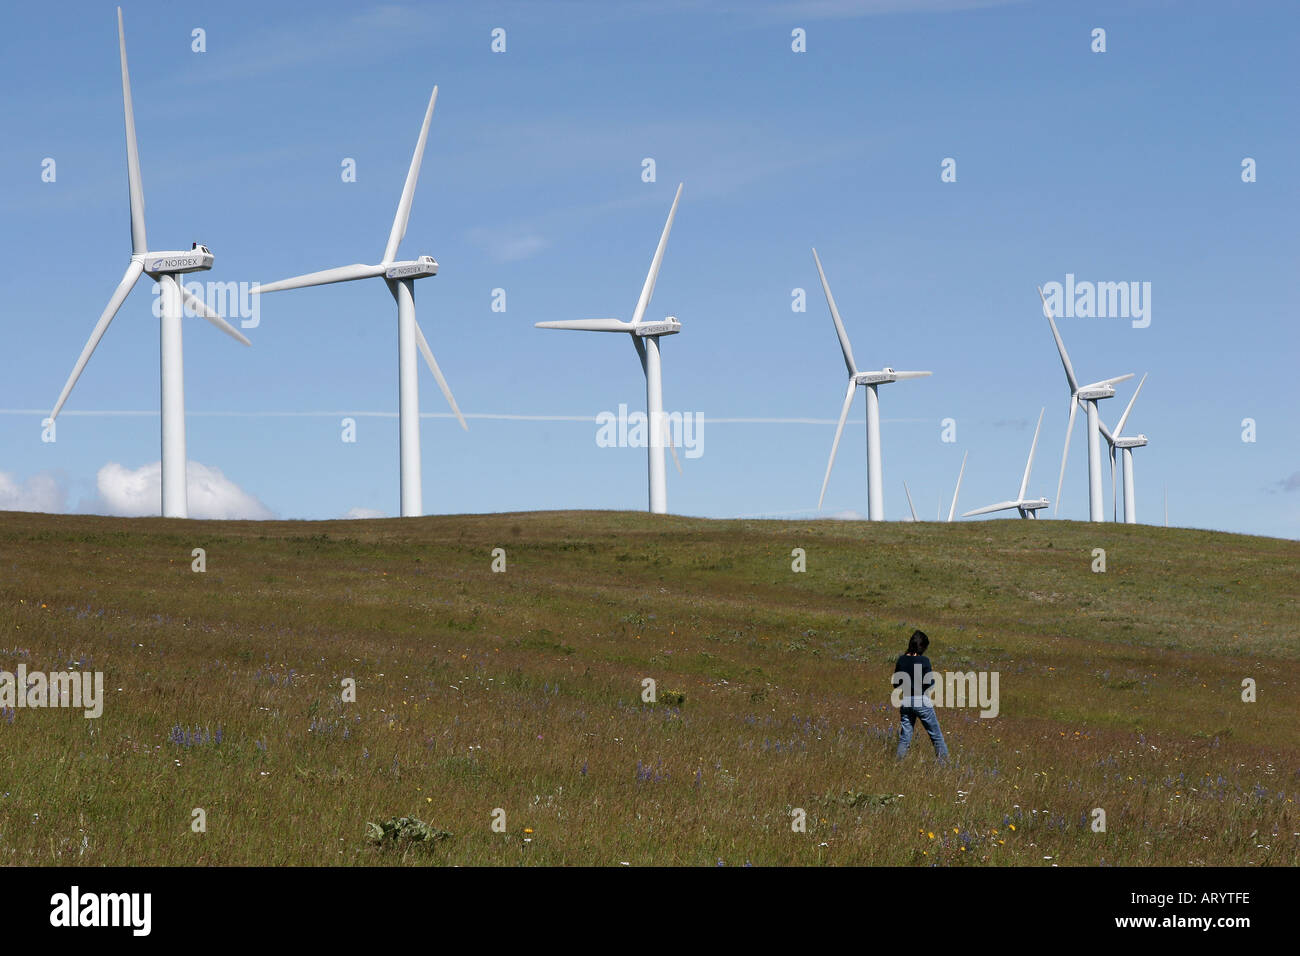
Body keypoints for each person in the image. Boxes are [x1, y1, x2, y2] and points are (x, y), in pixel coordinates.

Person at [893, 629, 949, 763]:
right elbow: (929, 682)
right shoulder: (924, 661)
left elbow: (896, 684)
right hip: (921, 700)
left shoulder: (901, 659)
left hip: (906, 701)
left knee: (905, 737)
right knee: (936, 736)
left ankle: (898, 763)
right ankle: (945, 765)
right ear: (922, 646)